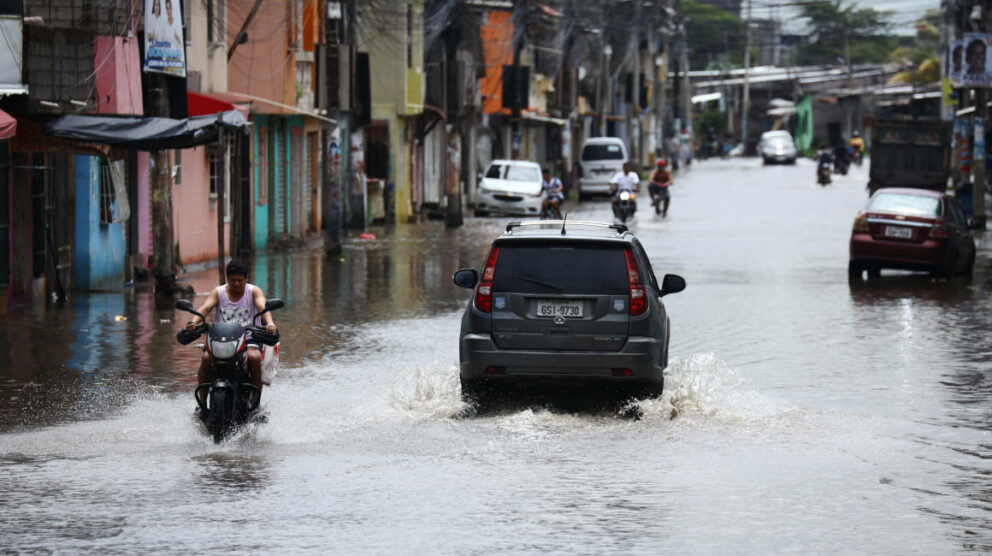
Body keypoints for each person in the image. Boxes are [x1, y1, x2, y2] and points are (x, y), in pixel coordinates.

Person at [185, 260, 277, 409]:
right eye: (232, 280)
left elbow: (263, 307)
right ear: (227, 279)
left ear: (246, 279)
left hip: (248, 339)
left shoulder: (254, 291)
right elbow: (205, 308)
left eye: (240, 280)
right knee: (206, 358)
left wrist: (270, 323)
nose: (236, 284)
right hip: (221, 339)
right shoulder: (218, 292)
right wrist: (193, 322)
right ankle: (202, 403)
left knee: (255, 357)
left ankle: (255, 402)